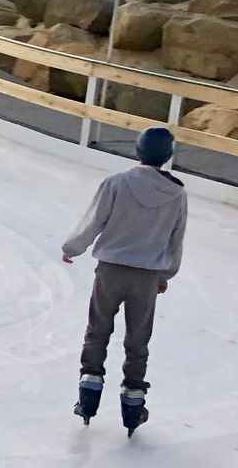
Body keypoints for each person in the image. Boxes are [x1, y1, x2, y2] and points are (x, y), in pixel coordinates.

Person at [62, 126, 187, 434]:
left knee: (97, 330)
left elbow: (94, 221)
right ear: (168, 156)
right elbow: (176, 238)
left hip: (110, 271)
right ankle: (133, 404)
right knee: (137, 340)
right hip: (146, 277)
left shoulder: (116, 184)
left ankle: (88, 395)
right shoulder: (177, 195)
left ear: (137, 150)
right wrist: (165, 274)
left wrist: (72, 248)